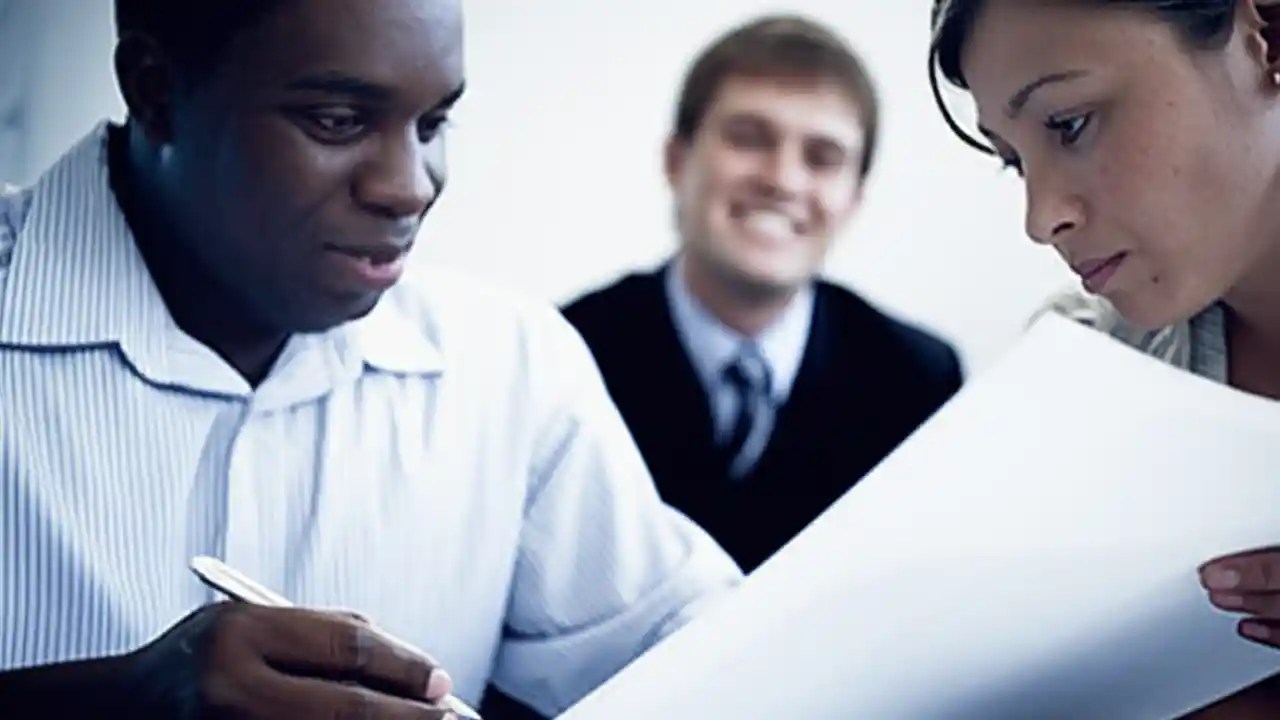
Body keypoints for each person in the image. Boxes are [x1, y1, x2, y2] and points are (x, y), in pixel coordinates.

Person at [0, 1, 743, 717]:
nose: (409, 186)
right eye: (337, 120)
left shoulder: (509, 366)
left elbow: (716, 662)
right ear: (156, 90)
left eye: (433, 122)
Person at [930, 0, 1280, 716]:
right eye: (1013, 161)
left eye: (1069, 124)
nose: (1041, 218)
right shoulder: (1075, 377)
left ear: (1266, 35)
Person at [562, 15, 964, 575]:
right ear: (677, 162)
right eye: (749, 139)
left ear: (854, 197)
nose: (783, 179)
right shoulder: (569, 358)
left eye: (823, 157)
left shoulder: (917, 380)